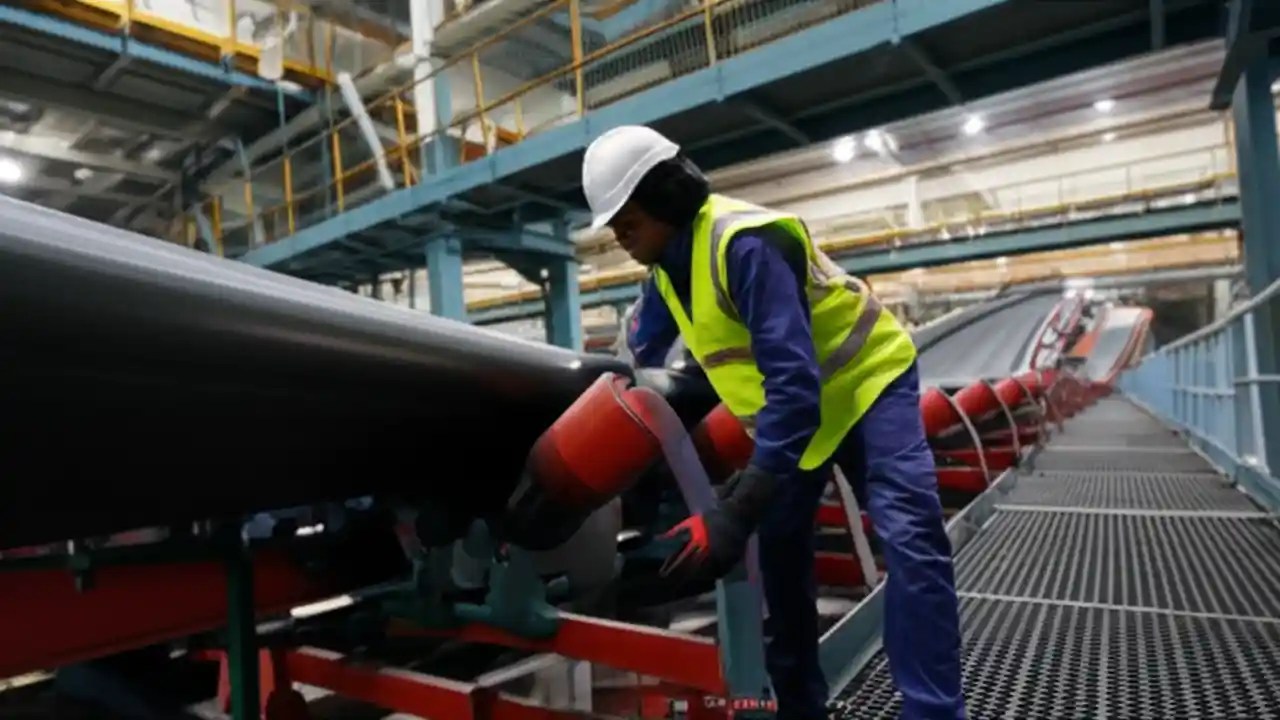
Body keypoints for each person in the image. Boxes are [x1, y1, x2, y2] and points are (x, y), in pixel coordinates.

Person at [581, 125, 966, 720]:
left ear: (666, 200)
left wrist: (739, 505)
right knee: (782, 563)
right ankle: (801, 708)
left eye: (627, 225)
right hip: (795, 419)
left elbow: (794, 386)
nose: (621, 240)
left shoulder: (746, 246)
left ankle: (933, 711)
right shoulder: (664, 277)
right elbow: (636, 365)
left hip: (866, 386)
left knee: (912, 537)